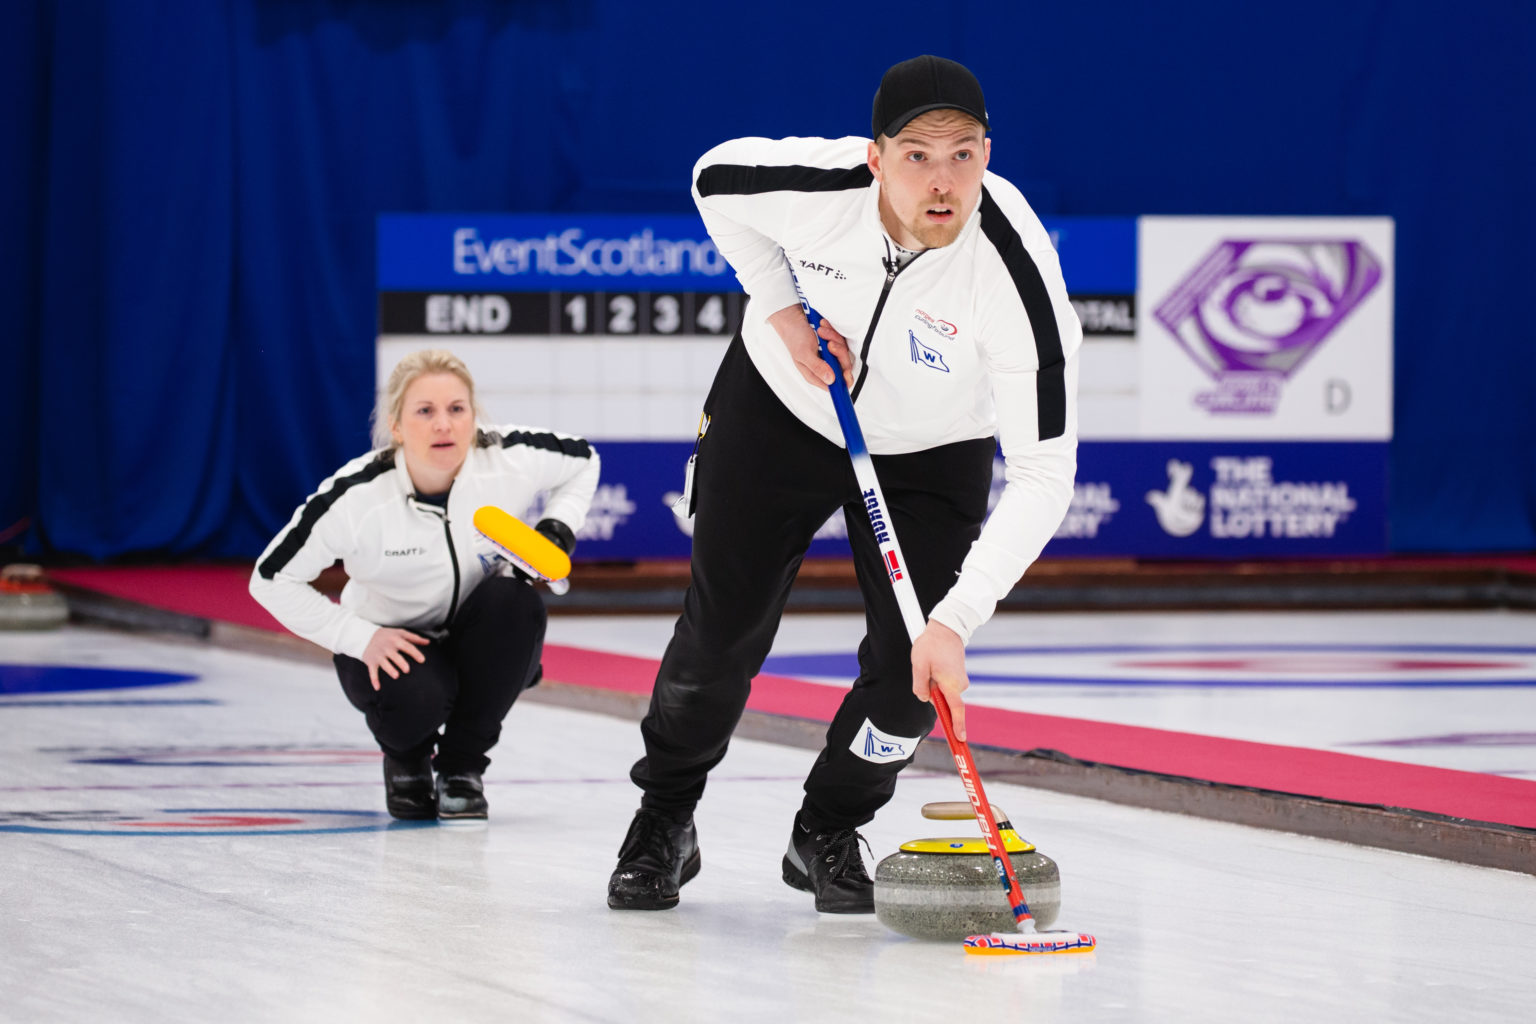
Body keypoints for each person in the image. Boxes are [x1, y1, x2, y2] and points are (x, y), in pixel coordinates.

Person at [607, 55, 1081, 913]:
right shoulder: (815, 187)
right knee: (721, 637)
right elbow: (711, 178)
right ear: (875, 158)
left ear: (988, 154)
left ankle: (828, 823)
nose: (944, 182)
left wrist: (955, 621)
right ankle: (665, 815)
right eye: (918, 155)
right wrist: (784, 313)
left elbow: (1046, 471)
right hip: (781, 406)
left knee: (913, 680)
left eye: (964, 155)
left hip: (932, 447)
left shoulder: (1016, 277)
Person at [251, 349, 599, 821]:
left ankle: (461, 769)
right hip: (390, 649)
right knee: (419, 693)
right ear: (396, 426)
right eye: (425, 411)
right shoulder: (356, 497)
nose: (444, 425)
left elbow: (584, 459)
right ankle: (406, 757)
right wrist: (360, 637)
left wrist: (555, 530)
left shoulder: (507, 459)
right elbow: (270, 579)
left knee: (516, 603)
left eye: (457, 409)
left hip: (472, 633)